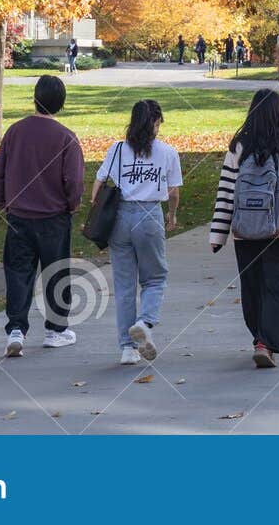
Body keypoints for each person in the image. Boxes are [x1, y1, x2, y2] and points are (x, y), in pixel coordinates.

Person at [208, 90, 279, 368]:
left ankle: (258, 339)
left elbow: (227, 192)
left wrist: (219, 233)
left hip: (245, 231)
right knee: (275, 287)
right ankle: (267, 343)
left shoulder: (239, 147)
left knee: (251, 287)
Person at [0, 75, 84, 356]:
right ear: (61, 104)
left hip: (19, 216)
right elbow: (74, 180)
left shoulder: (15, 132)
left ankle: (16, 328)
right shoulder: (66, 138)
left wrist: (2, 201)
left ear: (35, 98)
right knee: (56, 272)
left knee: (18, 273)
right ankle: (56, 329)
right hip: (54, 217)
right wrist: (72, 203)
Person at [93, 99, 182, 366]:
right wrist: (172, 213)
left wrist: (97, 210)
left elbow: (97, 185)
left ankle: (127, 348)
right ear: (155, 123)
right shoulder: (167, 152)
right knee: (155, 277)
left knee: (123, 286)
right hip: (149, 215)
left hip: (120, 217)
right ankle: (146, 321)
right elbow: (174, 192)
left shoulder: (118, 150)